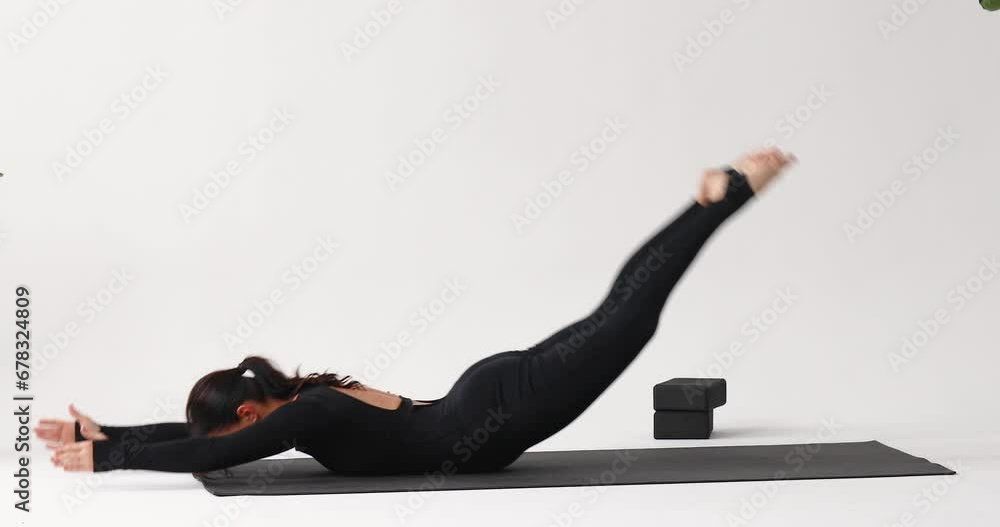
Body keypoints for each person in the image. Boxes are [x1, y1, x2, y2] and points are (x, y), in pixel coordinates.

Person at [39, 148, 796, 475]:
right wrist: (107, 429)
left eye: (236, 425)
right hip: (485, 397)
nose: (238, 436)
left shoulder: (305, 417)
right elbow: (201, 437)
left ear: (250, 413)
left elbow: (208, 452)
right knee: (622, 312)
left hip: (498, 409)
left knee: (630, 317)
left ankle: (727, 194)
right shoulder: (302, 401)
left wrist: (114, 457)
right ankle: (710, 198)